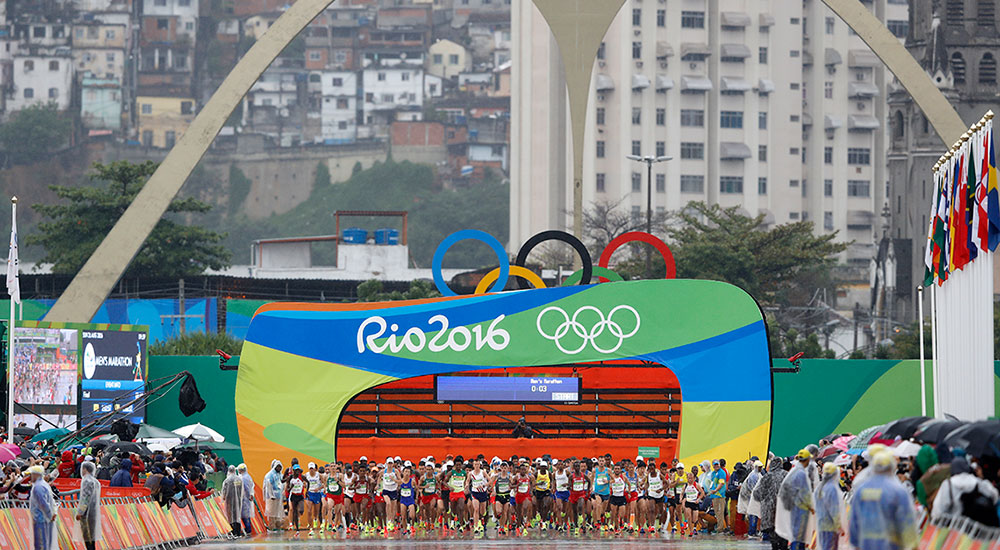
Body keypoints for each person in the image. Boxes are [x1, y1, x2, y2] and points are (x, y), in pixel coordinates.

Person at [849, 451, 918, 550]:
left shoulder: (861, 490)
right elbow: (907, 519)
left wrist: (855, 543)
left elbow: (854, 519)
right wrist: (913, 544)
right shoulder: (898, 490)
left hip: (867, 542)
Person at [931, 457, 1000, 525]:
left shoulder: (948, 484)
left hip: (955, 528)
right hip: (978, 527)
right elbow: (995, 496)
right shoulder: (977, 482)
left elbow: (938, 510)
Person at [776, 449, 815, 550]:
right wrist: (811, 507)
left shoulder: (795, 471)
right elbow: (804, 493)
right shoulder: (801, 473)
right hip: (800, 509)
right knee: (798, 535)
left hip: (795, 507)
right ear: (806, 460)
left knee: (796, 534)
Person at [754, 457, 789, 550]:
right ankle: (783, 545)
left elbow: (756, 493)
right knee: (783, 527)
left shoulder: (766, 477)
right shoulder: (786, 475)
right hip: (783, 507)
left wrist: (765, 499)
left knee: (772, 529)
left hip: (769, 509)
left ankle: (775, 545)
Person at [814, 463, 845, 550]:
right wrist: (839, 526)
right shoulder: (832, 488)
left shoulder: (819, 488)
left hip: (821, 523)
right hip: (831, 525)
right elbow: (834, 510)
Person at [75, 461, 102, 550]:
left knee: (87, 537)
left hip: (87, 514)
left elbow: (85, 498)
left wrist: (80, 511)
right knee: (92, 536)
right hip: (94, 512)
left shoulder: (86, 481)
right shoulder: (96, 481)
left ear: (85, 469)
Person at [28, 465, 56, 550]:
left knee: (41, 544)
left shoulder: (38, 487)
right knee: (45, 543)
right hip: (44, 518)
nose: (31, 476)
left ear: (36, 474)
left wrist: (49, 515)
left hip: (41, 518)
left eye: (32, 474)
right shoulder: (44, 484)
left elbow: (43, 503)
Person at [221, 465, 245, 536]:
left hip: (229, 500)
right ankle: (238, 531)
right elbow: (241, 489)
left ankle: (233, 531)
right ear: (235, 470)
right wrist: (240, 497)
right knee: (237, 515)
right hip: (238, 499)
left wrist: (224, 497)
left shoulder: (227, 480)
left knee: (230, 515)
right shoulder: (239, 479)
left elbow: (224, 490)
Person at [263, 460, 284, 531]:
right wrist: (271, 495)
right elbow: (268, 486)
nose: (279, 468)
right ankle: (272, 528)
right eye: (278, 467)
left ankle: (278, 528)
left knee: (278, 514)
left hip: (279, 497)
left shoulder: (280, 475)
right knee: (272, 514)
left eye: (280, 467)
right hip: (271, 498)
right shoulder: (270, 475)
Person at [238, 464, 255, 535]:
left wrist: (248, 496)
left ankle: (248, 530)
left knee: (245, 515)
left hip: (245, 499)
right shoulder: (247, 476)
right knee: (246, 514)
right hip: (246, 498)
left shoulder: (244, 478)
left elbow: (247, 488)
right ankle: (248, 529)